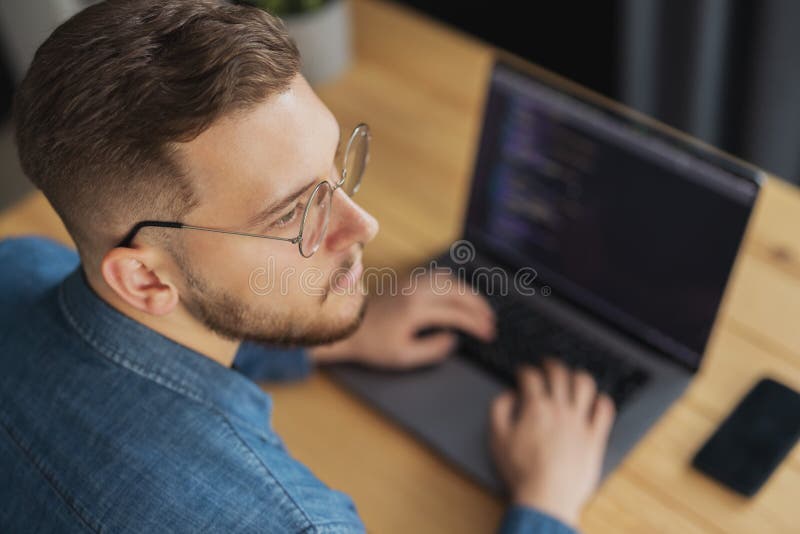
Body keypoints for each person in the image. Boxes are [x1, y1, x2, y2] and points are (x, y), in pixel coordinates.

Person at [0, 1, 615, 532]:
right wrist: (547, 504)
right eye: (293, 215)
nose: (363, 226)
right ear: (145, 279)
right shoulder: (294, 523)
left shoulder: (20, 263)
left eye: (334, 167)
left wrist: (333, 339)